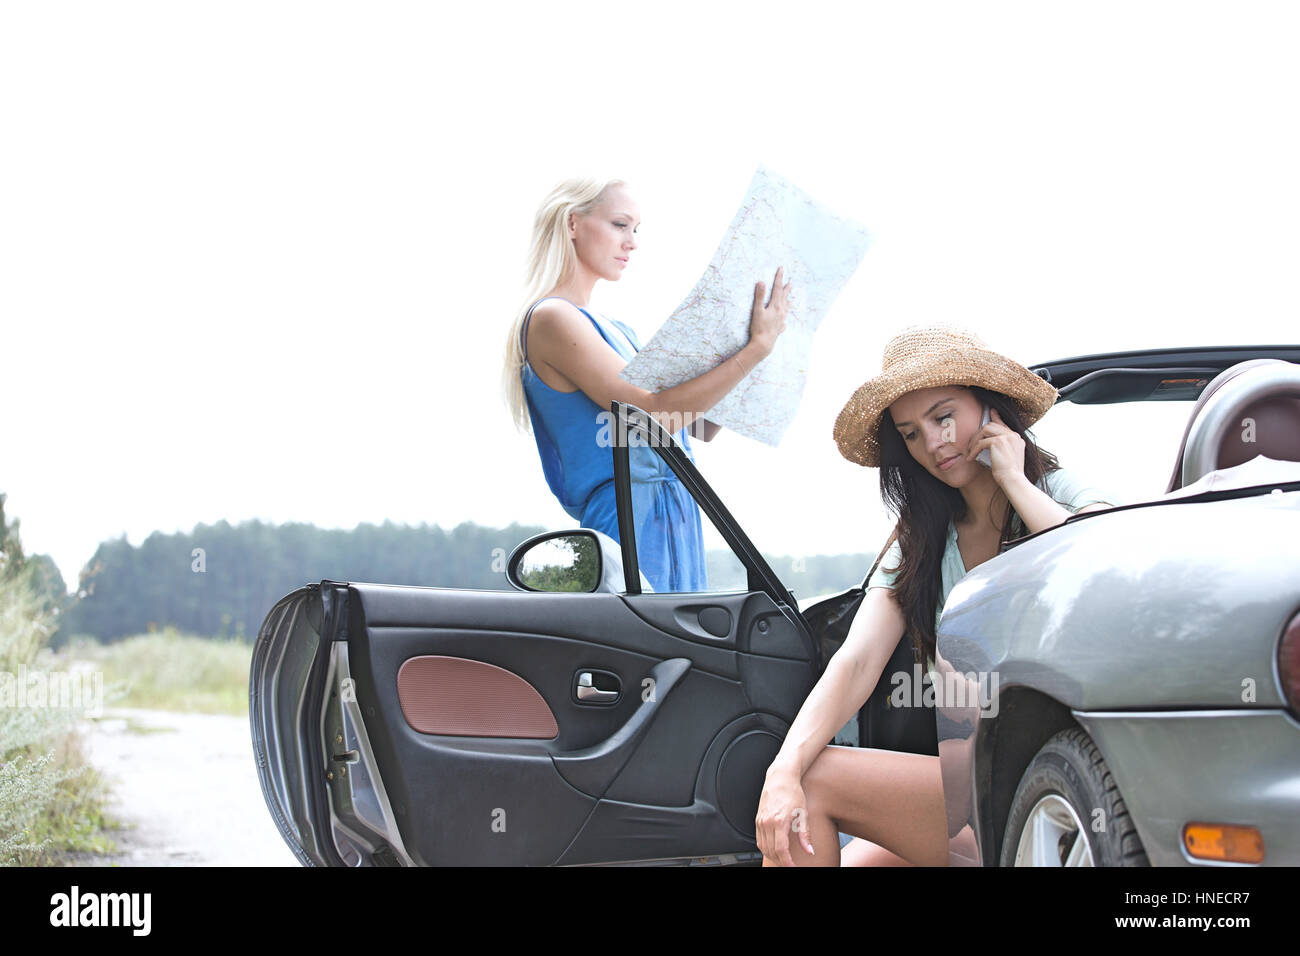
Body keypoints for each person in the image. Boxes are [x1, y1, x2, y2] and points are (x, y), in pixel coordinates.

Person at [754, 324, 1118, 866]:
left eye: (943, 416)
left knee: (821, 778)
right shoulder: (923, 539)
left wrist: (1016, 482)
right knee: (815, 821)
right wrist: (779, 769)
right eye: (911, 433)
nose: (933, 443)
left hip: (1068, 782)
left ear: (989, 408)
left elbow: (1106, 571)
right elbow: (855, 664)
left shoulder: (1062, 495)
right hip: (968, 789)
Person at [502, 177, 790, 592]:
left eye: (636, 230)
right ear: (572, 224)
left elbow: (701, 427)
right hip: (627, 521)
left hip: (679, 514)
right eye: (620, 225)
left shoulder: (620, 331)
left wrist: (748, 342)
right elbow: (653, 417)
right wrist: (754, 352)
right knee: (647, 652)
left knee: (684, 653)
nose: (632, 242)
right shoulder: (551, 318)